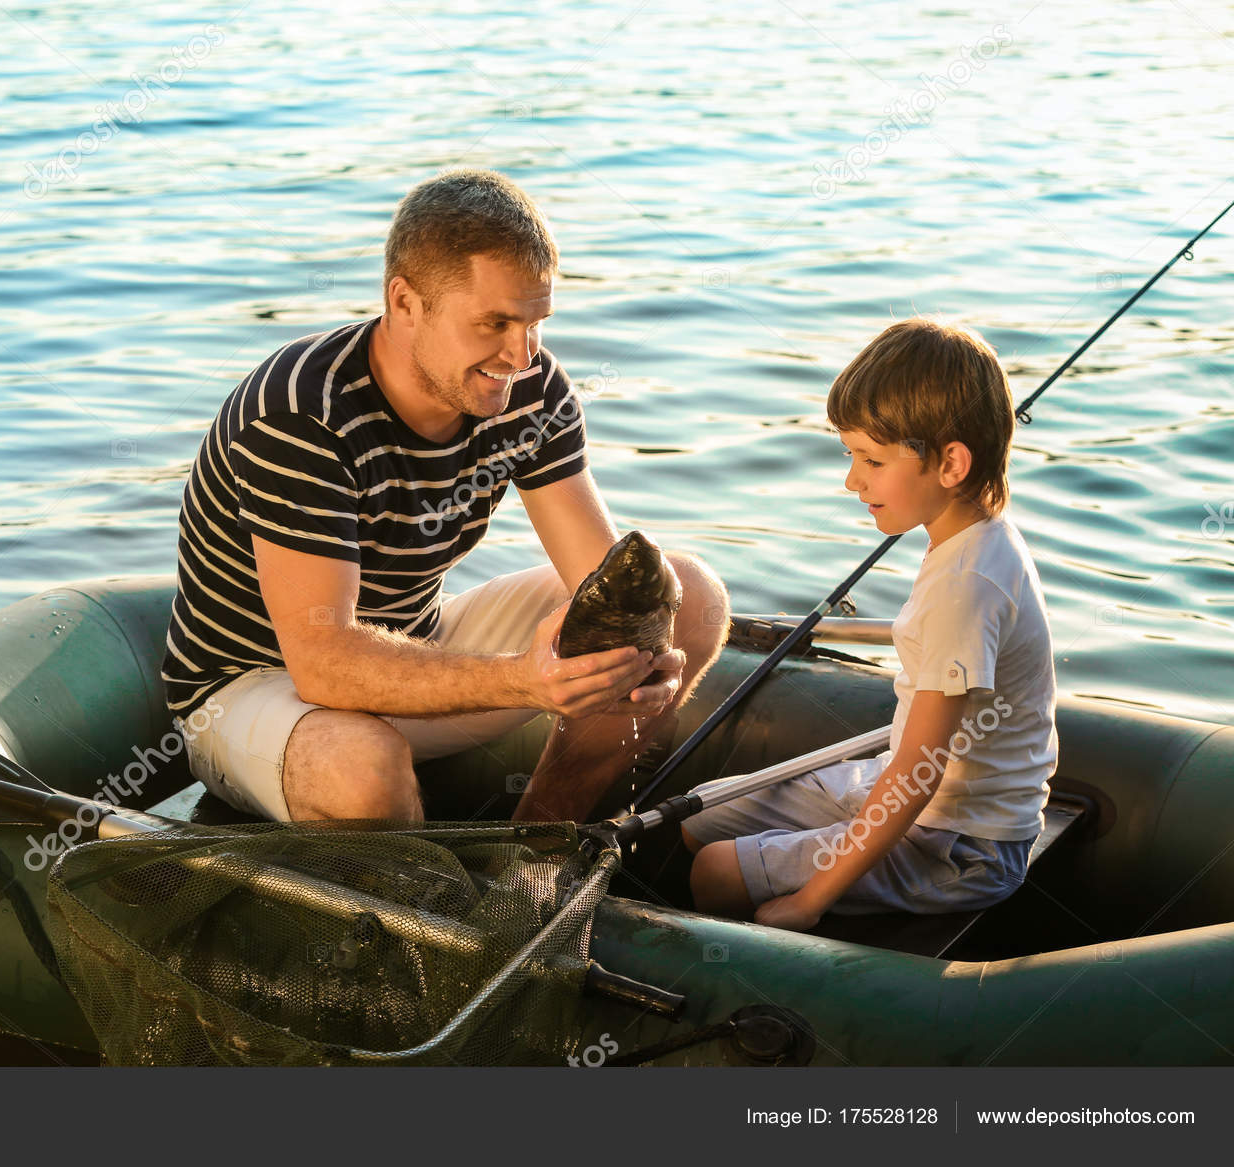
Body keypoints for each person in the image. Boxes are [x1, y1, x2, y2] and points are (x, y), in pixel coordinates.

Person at [161, 168, 729, 824]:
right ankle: (430, 914)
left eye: (534, 322)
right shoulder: (301, 413)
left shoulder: (529, 389)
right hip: (259, 686)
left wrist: (640, 655)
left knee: (690, 593)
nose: (521, 355)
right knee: (362, 771)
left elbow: (597, 581)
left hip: (413, 643)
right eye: (494, 323)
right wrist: (522, 678)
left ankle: (535, 850)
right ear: (404, 303)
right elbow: (321, 665)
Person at [684, 317, 1058, 931]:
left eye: (871, 460)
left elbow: (917, 774)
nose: (852, 479)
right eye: (849, 454)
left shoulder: (965, 587)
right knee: (699, 823)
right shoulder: (978, 537)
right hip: (918, 797)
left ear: (951, 463)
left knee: (715, 872)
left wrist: (809, 900)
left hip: (960, 843)